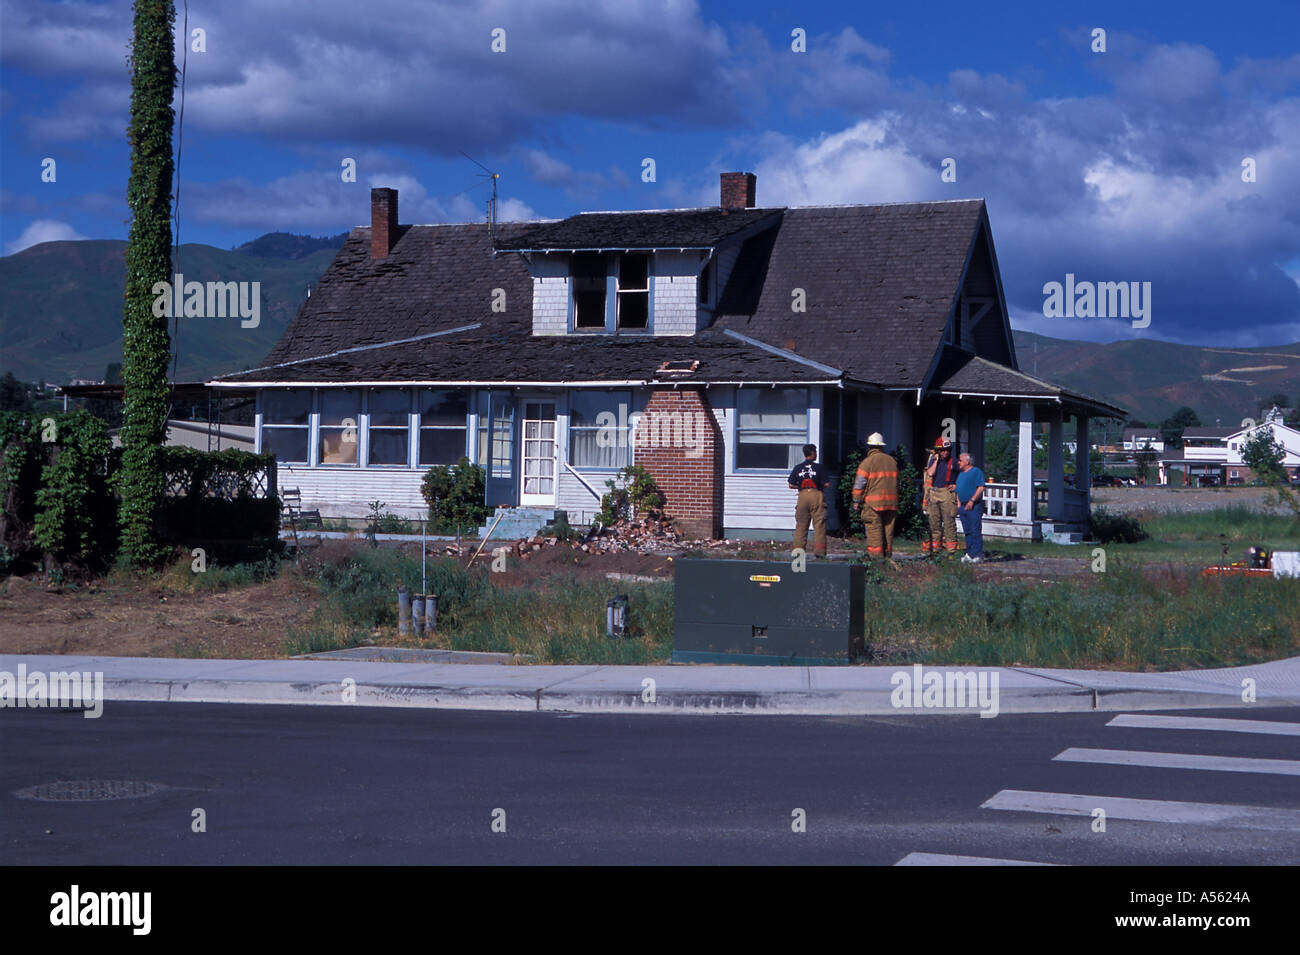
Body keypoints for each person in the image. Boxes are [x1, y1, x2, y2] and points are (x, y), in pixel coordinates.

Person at [852, 433, 898, 559]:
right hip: (891, 503)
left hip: (873, 504)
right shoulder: (892, 461)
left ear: (870, 447)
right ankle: (887, 556)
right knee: (888, 531)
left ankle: (876, 559)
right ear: (882, 446)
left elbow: (860, 483)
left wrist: (856, 500)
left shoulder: (867, 462)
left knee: (874, 530)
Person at [788, 444, 831, 557]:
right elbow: (826, 484)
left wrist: (801, 487)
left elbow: (790, 484)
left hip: (802, 496)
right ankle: (819, 553)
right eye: (815, 452)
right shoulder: (820, 468)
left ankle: (798, 553)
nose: (816, 454)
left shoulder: (798, 467)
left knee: (801, 525)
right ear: (812, 453)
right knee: (819, 525)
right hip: (816, 495)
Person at [925, 437, 961, 556]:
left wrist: (956, 485)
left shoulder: (954, 462)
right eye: (943, 450)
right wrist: (935, 460)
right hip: (934, 492)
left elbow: (962, 475)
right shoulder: (933, 461)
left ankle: (951, 552)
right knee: (934, 522)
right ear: (938, 451)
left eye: (947, 450)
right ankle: (936, 551)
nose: (946, 452)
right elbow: (930, 473)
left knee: (949, 522)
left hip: (947, 493)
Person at [955, 451, 986, 563]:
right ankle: (970, 553)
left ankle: (977, 554)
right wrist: (958, 503)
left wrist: (972, 500)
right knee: (967, 531)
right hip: (962, 506)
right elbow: (958, 488)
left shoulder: (976, 472)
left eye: (960, 460)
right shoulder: (961, 474)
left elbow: (981, 487)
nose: (958, 462)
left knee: (975, 530)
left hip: (973, 506)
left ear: (967, 461)